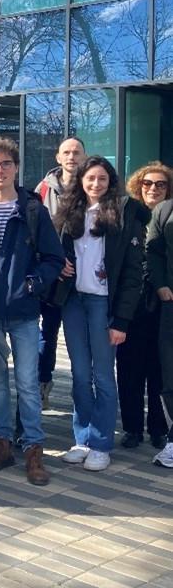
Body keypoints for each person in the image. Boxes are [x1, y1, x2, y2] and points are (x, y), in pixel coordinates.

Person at [0, 138, 64, 486]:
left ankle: (33, 447)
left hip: (23, 311)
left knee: (28, 383)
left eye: (5, 163)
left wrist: (32, 284)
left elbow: (54, 258)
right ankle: (2, 441)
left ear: (16, 167)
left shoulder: (33, 209)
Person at [53, 156, 144, 472]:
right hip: (74, 301)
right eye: (90, 178)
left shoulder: (124, 214)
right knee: (80, 374)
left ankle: (101, 443)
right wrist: (59, 264)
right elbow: (52, 250)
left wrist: (122, 321)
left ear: (110, 182)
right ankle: (82, 439)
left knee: (103, 375)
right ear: (80, 180)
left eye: (102, 178)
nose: (95, 184)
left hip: (104, 303)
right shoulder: (69, 211)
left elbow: (133, 273)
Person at [118, 162, 173, 449]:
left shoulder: (169, 216)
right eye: (147, 183)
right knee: (129, 368)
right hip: (131, 303)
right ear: (138, 185)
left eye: (161, 184)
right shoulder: (128, 214)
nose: (153, 188)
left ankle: (158, 428)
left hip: (162, 303)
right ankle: (132, 428)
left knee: (159, 368)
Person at [36, 136, 87, 407]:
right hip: (54, 275)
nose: (71, 157)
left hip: (84, 276)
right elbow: (36, 232)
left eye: (76, 152)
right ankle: (43, 383)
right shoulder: (43, 188)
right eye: (66, 152)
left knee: (82, 339)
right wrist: (54, 262)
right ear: (58, 157)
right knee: (48, 333)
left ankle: (83, 395)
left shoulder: (92, 185)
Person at [146, 196, 173, 468]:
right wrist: (161, 284)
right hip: (171, 305)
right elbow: (153, 251)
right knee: (169, 374)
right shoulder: (165, 210)